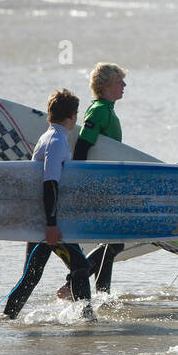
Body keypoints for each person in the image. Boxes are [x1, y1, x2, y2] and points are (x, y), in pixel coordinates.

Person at [4, 88, 96, 321]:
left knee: (31, 275)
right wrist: (52, 223)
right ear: (73, 115)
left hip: (42, 220)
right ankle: (87, 320)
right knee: (80, 269)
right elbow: (50, 183)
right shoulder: (56, 142)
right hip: (51, 223)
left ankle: (7, 318)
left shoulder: (49, 138)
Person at [59, 62, 128, 298]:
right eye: (120, 81)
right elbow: (83, 147)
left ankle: (102, 294)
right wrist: (81, 183)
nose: (124, 85)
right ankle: (74, 281)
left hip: (109, 184)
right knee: (116, 243)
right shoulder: (98, 110)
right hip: (101, 186)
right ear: (107, 85)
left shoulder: (107, 109)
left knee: (114, 243)